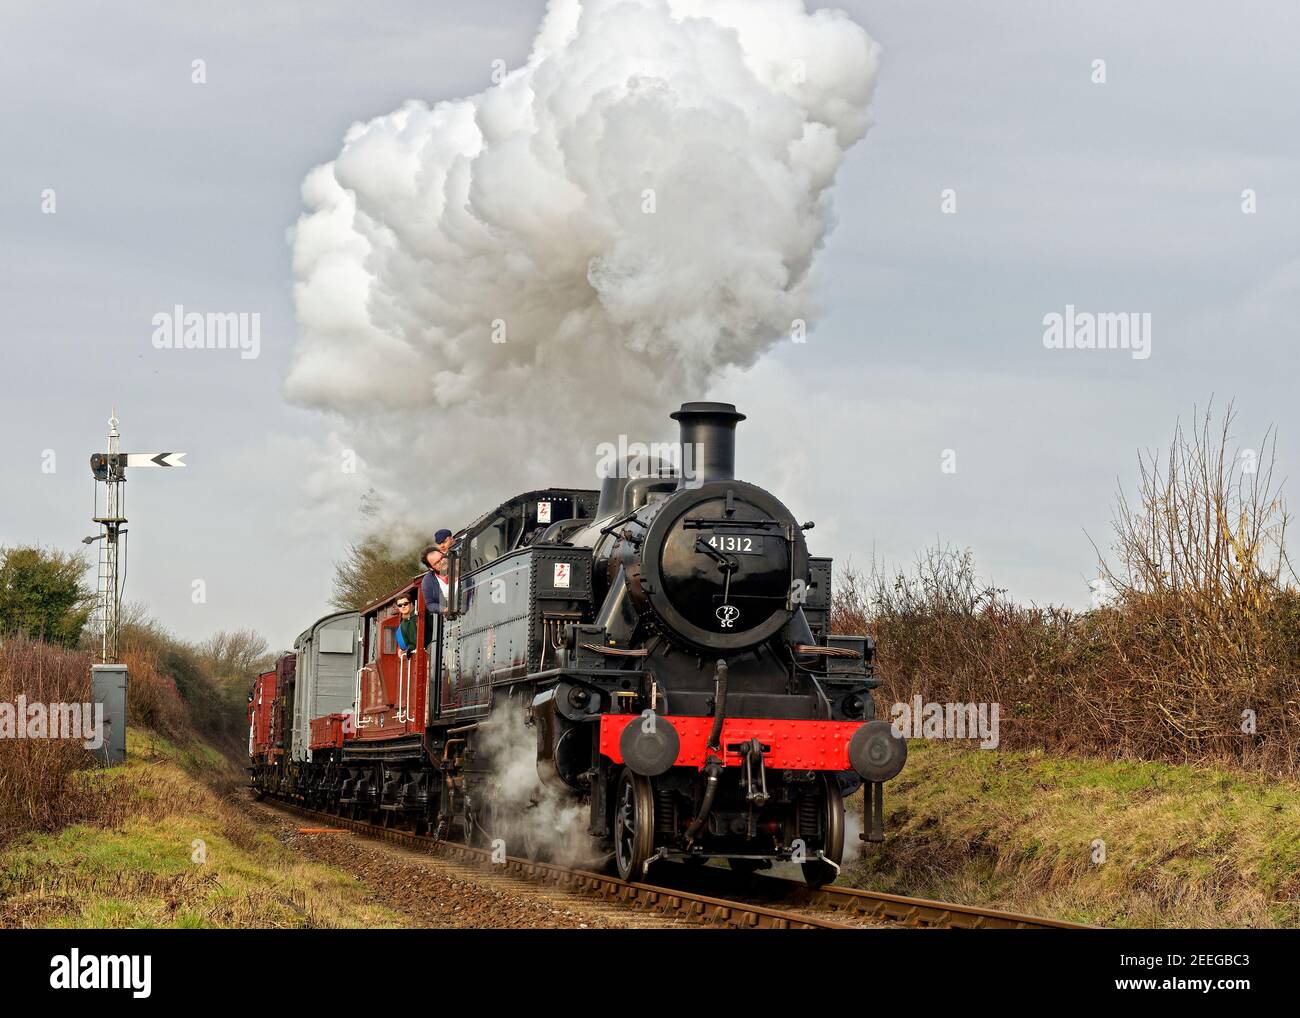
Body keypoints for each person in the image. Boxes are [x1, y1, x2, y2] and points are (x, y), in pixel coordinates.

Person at [420, 544, 449, 614]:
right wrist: (444, 609)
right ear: (430, 568)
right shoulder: (427, 581)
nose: (442, 562)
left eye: (442, 558)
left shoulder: (461, 565)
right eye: (437, 562)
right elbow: (430, 604)